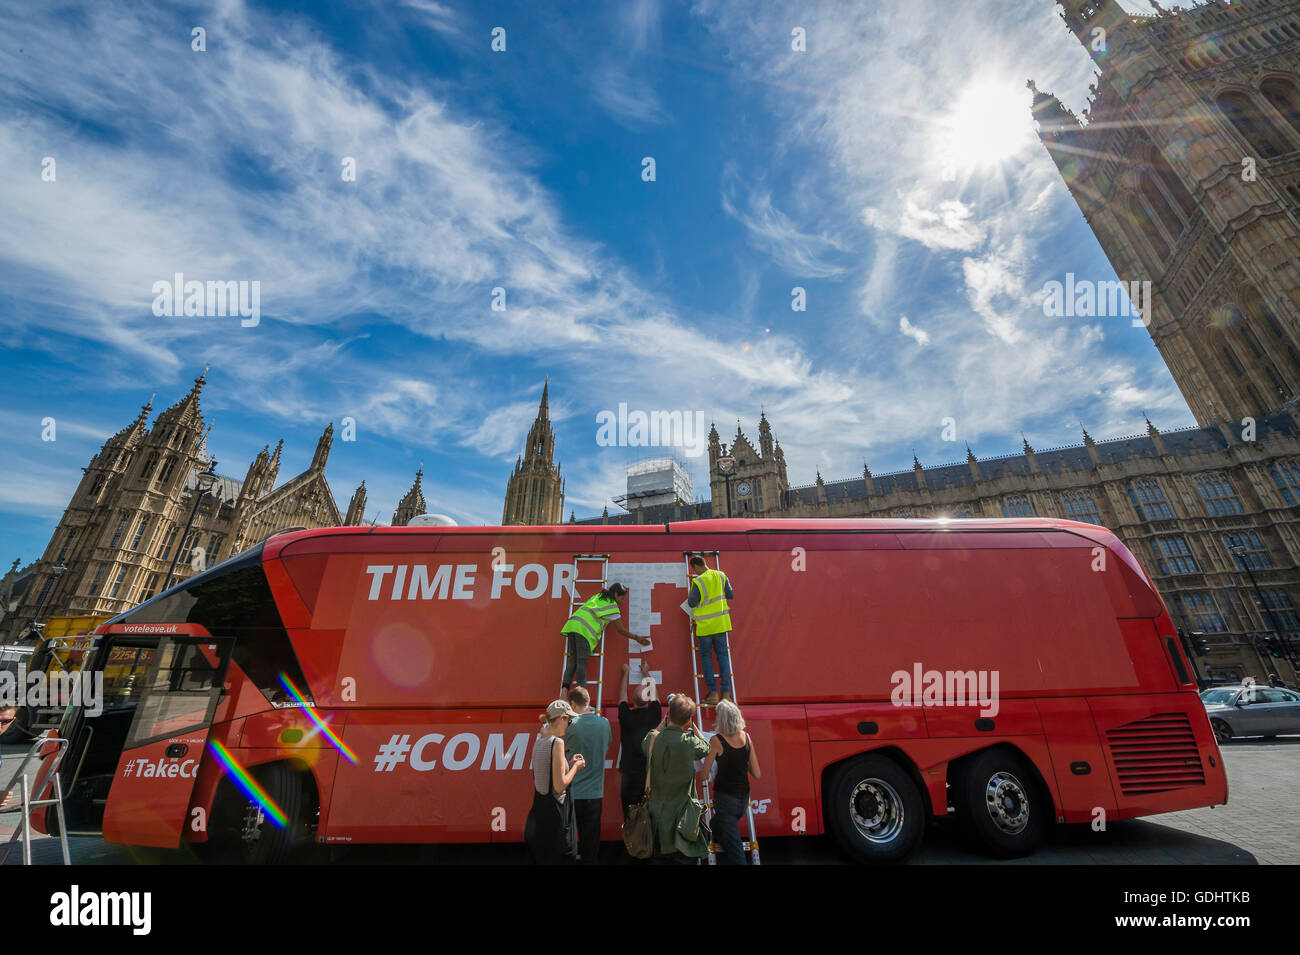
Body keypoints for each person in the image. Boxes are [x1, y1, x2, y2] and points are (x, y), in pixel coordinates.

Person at [643, 693, 710, 863]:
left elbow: (652, 736)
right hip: (684, 818)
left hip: (658, 816)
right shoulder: (689, 742)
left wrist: (664, 722)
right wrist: (693, 726)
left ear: (668, 714)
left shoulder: (653, 739)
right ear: (688, 720)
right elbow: (706, 747)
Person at [700, 699, 762, 865]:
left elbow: (704, 775)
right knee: (714, 825)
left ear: (721, 719)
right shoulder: (747, 738)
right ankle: (706, 844)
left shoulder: (716, 741)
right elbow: (757, 773)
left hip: (725, 802)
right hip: (743, 801)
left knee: (737, 855)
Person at [561, 583, 649, 696]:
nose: (622, 601)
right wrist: (637, 638)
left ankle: (563, 696)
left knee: (573, 661)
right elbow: (621, 630)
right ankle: (580, 698)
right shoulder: (613, 607)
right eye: (622, 598)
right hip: (584, 631)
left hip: (572, 625)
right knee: (581, 664)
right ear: (616, 594)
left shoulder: (598, 596)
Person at [525, 699, 585, 864]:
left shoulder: (539, 741)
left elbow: (546, 773)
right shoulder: (557, 743)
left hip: (540, 814)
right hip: (556, 819)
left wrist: (568, 764)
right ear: (561, 719)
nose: (569, 725)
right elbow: (559, 786)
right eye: (569, 720)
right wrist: (576, 767)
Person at [564, 685, 611, 865]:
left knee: (568, 846)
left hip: (572, 793)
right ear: (588, 702)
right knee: (590, 849)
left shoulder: (570, 727)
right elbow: (604, 751)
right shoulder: (604, 724)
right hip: (595, 795)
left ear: (573, 704)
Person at [617, 662, 662, 823]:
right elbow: (656, 695)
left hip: (629, 774)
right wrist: (646, 673)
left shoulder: (625, 717)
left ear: (632, 700)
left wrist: (625, 673)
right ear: (648, 700)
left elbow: (621, 697)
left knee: (630, 817)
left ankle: (632, 845)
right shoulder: (655, 715)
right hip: (651, 775)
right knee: (651, 817)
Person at [687, 555, 735, 705]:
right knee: (723, 657)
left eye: (693, 569)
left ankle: (713, 694)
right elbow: (730, 595)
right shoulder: (721, 575)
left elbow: (691, 602)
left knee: (706, 658)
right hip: (721, 624)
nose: (693, 572)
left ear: (695, 566)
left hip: (705, 626)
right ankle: (726, 694)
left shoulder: (698, 581)